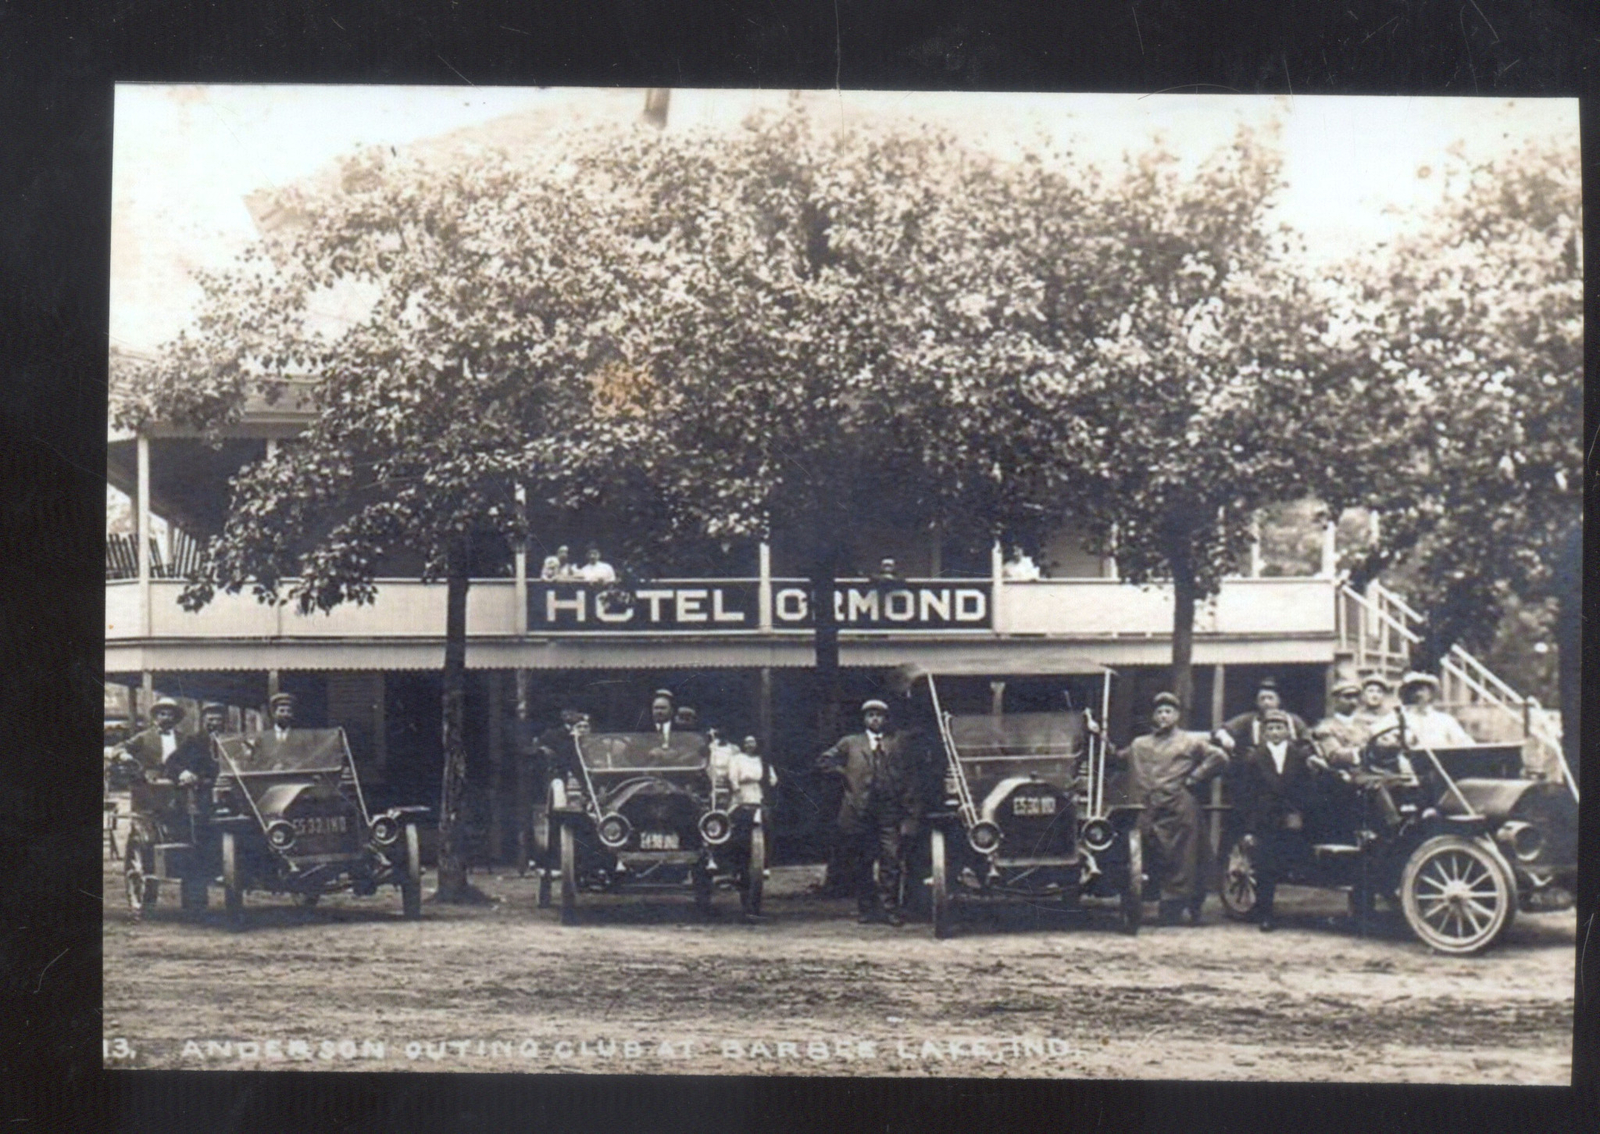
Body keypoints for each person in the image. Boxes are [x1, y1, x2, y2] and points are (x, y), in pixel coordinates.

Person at [1116, 692, 1229, 926]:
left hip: (1178, 809)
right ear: (1153, 717)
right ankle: (1150, 899)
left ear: (1177, 716)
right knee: (1147, 855)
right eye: (1159, 712)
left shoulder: (1189, 742)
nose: (1163, 716)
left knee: (1183, 858)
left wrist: (1194, 778)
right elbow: (1116, 758)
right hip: (1147, 809)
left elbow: (1219, 757)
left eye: (1168, 711)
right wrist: (1097, 735)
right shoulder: (1140, 744)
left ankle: (1175, 906)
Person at [817, 699, 920, 926]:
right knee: (863, 862)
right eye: (871, 715)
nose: (875, 719)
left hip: (890, 810)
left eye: (879, 715)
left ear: (886, 719)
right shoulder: (851, 743)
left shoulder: (897, 742)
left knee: (891, 860)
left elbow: (909, 773)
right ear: (864, 719)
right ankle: (867, 909)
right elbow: (824, 760)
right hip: (860, 811)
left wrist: (909, 810)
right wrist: (844, 773)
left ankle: (890, 909)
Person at [1235, 710, 1318, 932]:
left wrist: (1300, 811)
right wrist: (1249, 828)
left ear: (1287, 731)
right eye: (1270, 729)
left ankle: (1290, 910)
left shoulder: (1298, 756)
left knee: (1290, 861)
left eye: (1279, 728)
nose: (1275, 732)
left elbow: (1306, 786)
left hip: (1291, 814)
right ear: (1264, 733)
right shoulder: (1254, 758)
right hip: (1265, 817)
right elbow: (1247, 793)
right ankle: (1265, 914)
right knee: (1265, 866)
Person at [1370, 672, 1474, 751]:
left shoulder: (1444, 720)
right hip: (1409, 772)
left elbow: (1465, 744)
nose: (1419, 694)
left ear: (1431, 694)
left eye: (1423, 689)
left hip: (1443, 768)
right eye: (1414, 689)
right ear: (1406, 693)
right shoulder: (1397, 718)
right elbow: (1375, 734)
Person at [118, 696, 188, 780]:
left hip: (178, 781)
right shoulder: (144, 736)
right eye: (162, 714)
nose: (166, 718)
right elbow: (122, 747)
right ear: (156, 717)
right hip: (152, 781)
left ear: (175, 718)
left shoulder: (184, 739)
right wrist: (124, 754)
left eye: (170, 715)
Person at [1351, 673, 1392, 739]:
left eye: (1379, 692)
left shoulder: (1390, 716)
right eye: (1370, 691)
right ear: (1364, 694)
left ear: (1384, 695)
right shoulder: (1357, 715)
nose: (1375, 695)